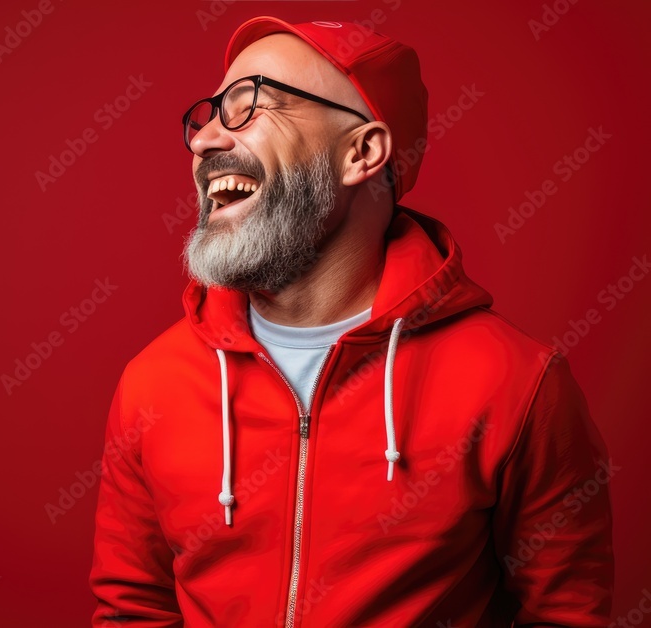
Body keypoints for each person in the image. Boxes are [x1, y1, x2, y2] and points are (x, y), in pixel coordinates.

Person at [88, 16, 614, 627]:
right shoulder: (153, 385)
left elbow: (567, 615)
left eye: (250, 107)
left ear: (362, 152)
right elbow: (133, 612)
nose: (205, 141)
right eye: (207, 116)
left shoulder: (518, 383)